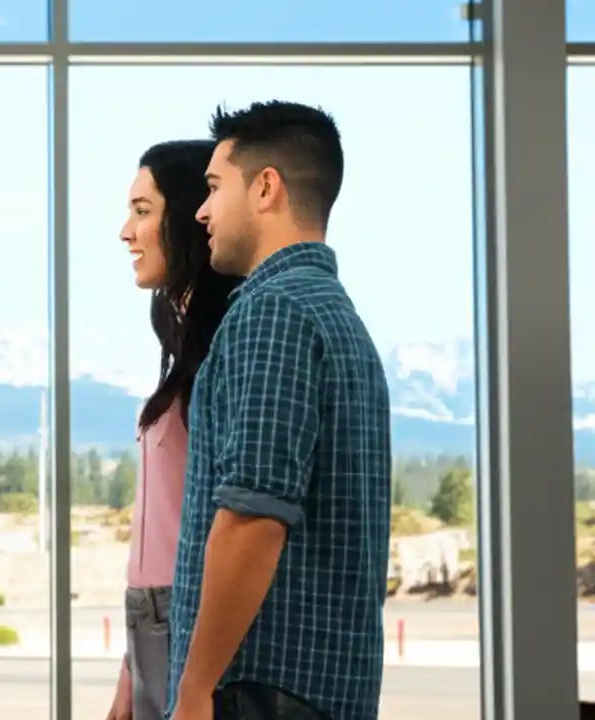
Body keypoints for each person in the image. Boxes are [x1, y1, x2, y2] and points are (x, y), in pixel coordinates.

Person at [166, 101, 390, 720]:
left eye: (213, 188)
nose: (202, 211)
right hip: (313, 690)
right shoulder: (334, 313)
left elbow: (253, 517)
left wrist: (192, 687)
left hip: (258, 689)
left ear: (266, 188)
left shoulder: (275, 313)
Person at [105, 140, 240, 720]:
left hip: (186, 616)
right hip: (151, 618)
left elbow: (232, 524)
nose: (125, 232)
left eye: (142, 211)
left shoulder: (229, 349)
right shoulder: (184, 346)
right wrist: (130, 672)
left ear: (185, 217)